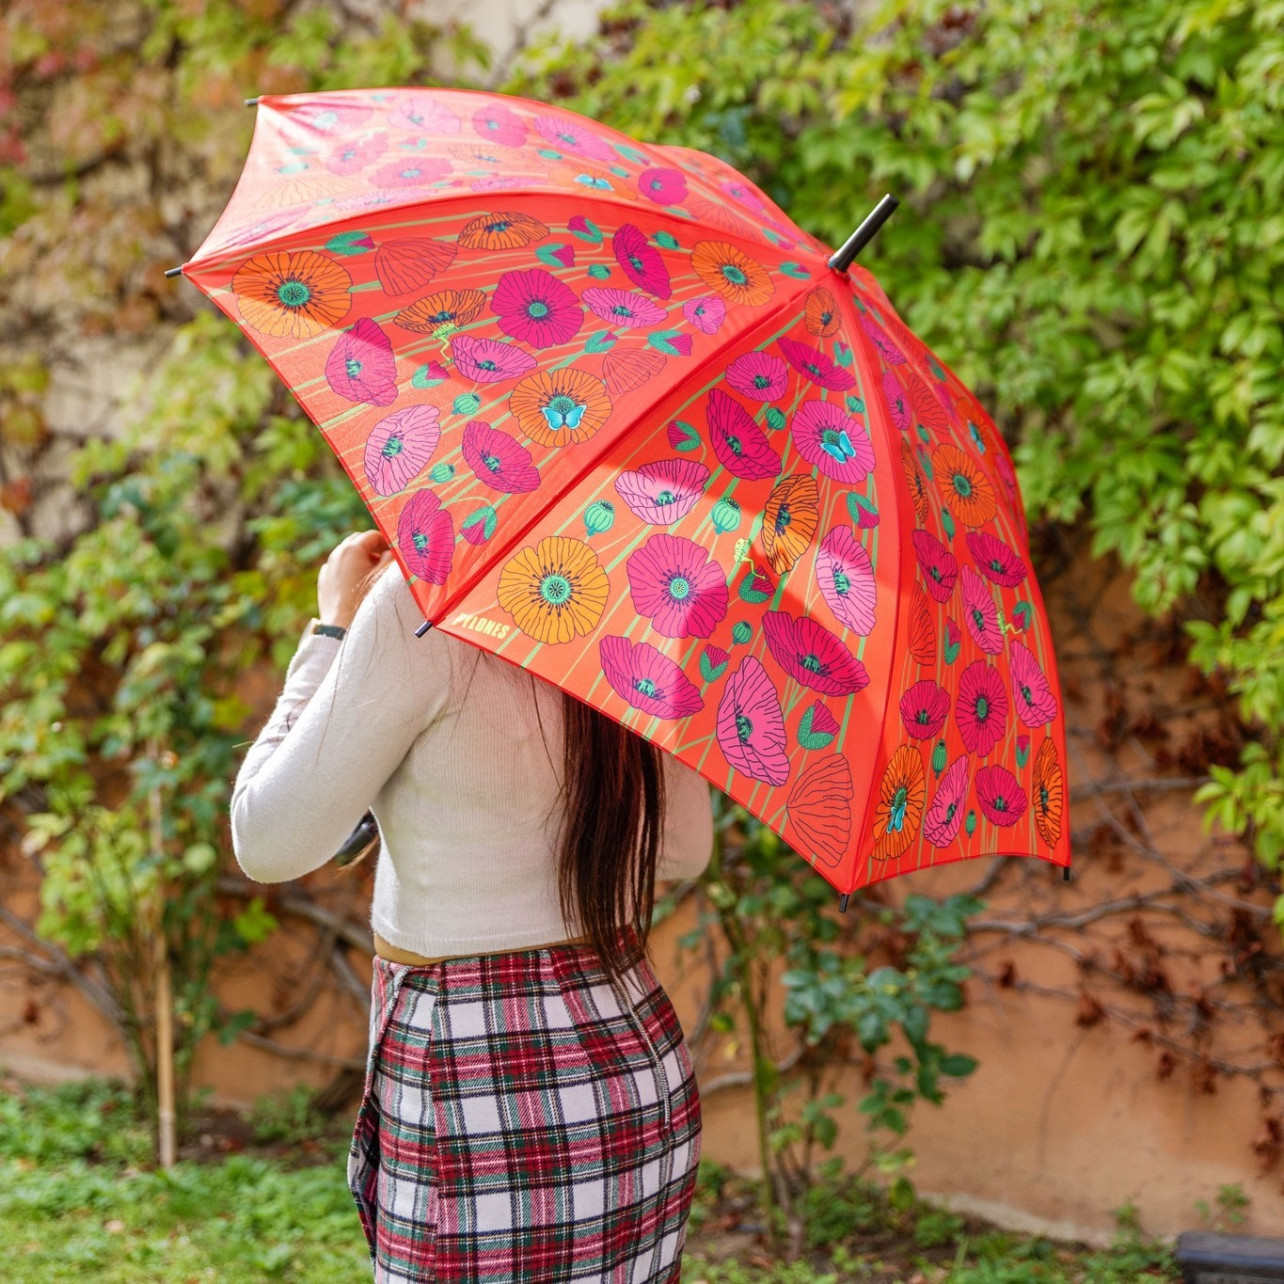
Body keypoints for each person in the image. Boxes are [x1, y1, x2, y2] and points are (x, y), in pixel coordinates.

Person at [230, 528, 714, 1283]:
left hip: (476, 1073)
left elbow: (268, 838)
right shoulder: (639, 592)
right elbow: (684, 847)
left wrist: (331, 629)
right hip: (631, 1063)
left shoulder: (427, 600)